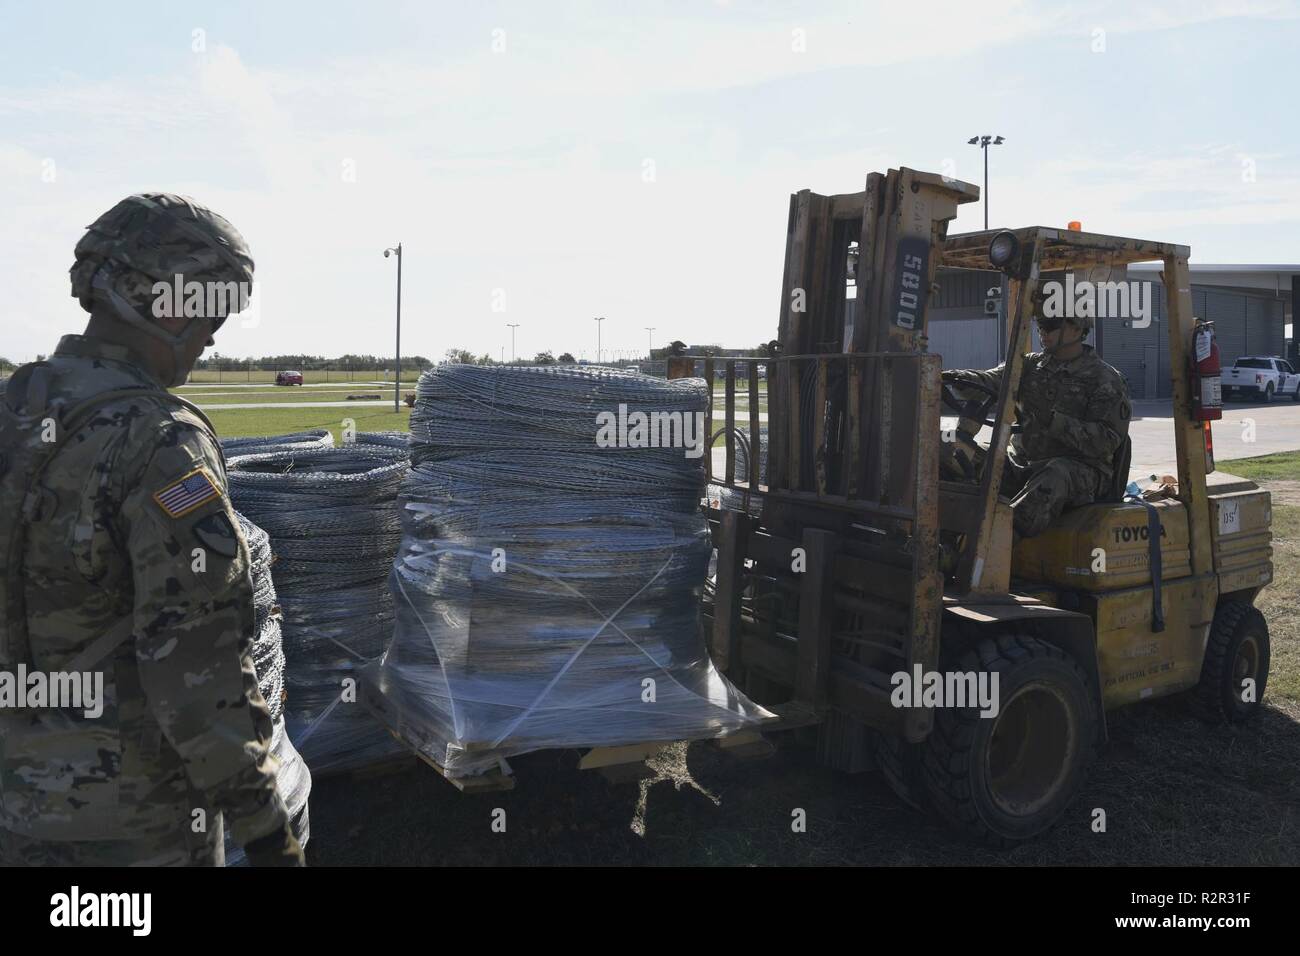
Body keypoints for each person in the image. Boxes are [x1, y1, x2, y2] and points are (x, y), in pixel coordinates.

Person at [0, 193, 303, 866]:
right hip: (132, 825)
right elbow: (199, 670)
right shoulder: (160, 442)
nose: (211, 339)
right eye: (210, 317)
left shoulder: (14, 410)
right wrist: (268, 829)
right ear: (169, 305)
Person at [941, 305, 1131, 538]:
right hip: (1020, 464)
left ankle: (996, 545)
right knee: (950, 451)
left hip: (1080, 473)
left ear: (1076, 328)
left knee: (1054, 476)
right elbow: (992, 380)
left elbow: (1106, 440)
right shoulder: (1030, 366)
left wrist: (1053, 421)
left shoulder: (1105, 379)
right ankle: (945, 537)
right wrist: (959, 378)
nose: (1043, 332)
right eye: (1040, 326)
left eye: (1051, 326)